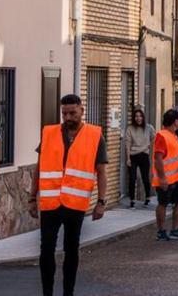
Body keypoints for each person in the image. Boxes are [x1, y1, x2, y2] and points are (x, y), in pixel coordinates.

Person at [28, 94, 108, 296]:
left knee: (71, 250)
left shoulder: (95, 135)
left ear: (82, 110)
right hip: (50, 202)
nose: (68, 117)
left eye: (73, 113)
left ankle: (68, 293)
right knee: (46, 249)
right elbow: (39, 167)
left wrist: (101, 202)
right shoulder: (49, 133)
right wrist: (31, 197)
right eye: (65, 113)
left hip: (75, 202)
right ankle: (47, 292)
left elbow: (101, 171)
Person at [152, 109, 178, 241]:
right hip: (166, 179)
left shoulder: (174, 135)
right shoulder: (162, 135)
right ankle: (161, 231)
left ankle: (175, 229)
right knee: (163, 203)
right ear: (175, 121)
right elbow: (158, 158)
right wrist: (162, 178)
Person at [125, 109, 154, 209]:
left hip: (144, 155)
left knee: (145, 178)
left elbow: (154, 139)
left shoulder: (149, 128)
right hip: (133, 156)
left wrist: (150, 149)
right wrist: (128, 158)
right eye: (136, 116)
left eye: (140, 116)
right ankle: (132, 200)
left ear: (143, 117)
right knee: (132, 179)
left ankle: (147, 198)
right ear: (134, 118)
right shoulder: (130, 128)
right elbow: (127, 144)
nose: (138, 118)